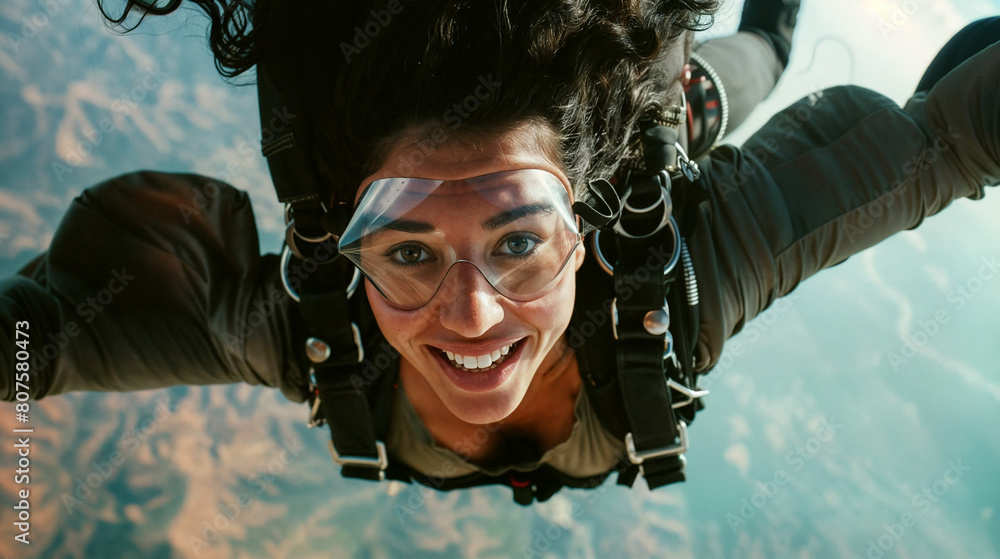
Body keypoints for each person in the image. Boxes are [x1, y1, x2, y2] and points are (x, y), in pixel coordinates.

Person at [1, 0, 997, 507]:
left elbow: (948, 140)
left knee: (757, 61)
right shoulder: (689, 297)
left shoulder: (322, 340)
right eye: (408, 249)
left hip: (651, 136)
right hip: (616, 152)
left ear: (581, 232)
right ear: (350, 242)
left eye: (520, 242)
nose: (470, 316)